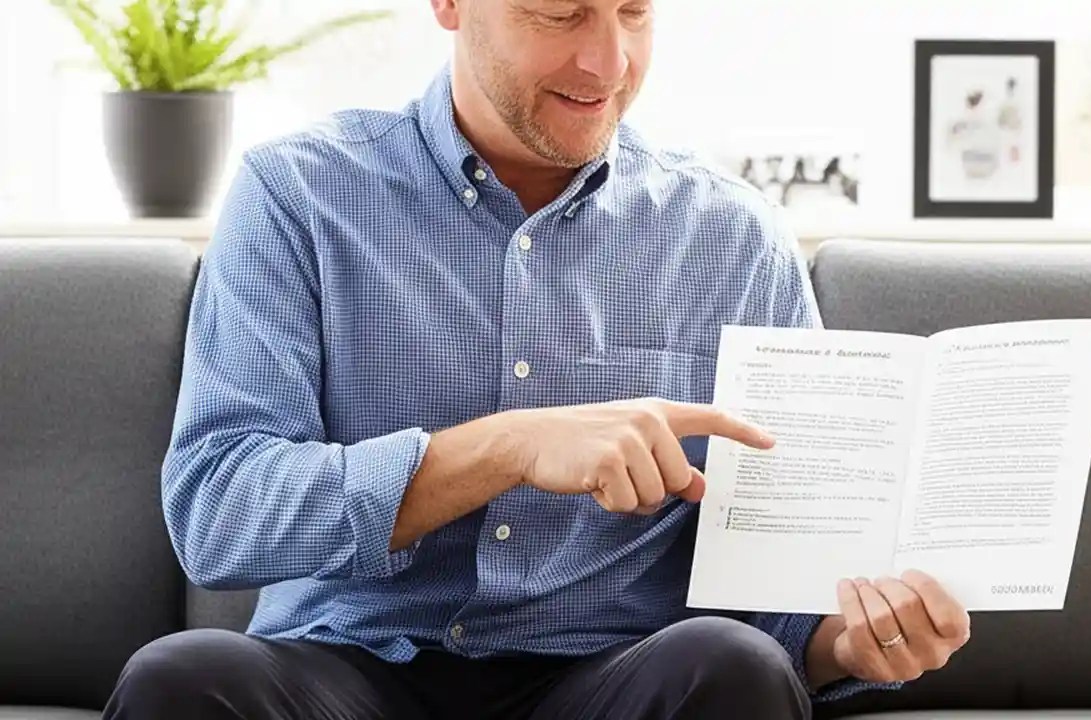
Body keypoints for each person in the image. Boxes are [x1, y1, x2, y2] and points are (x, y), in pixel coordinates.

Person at [104, 1, 970, 718]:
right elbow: (218, 513)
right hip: (348, 668)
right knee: (178, 683)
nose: (607, 62)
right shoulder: (298, 197)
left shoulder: (731, 238)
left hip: (614, 679)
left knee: (733, 663)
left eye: (635, 13)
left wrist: (847, 643)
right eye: (560, 13)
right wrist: (507, 449)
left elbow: (782, 591)